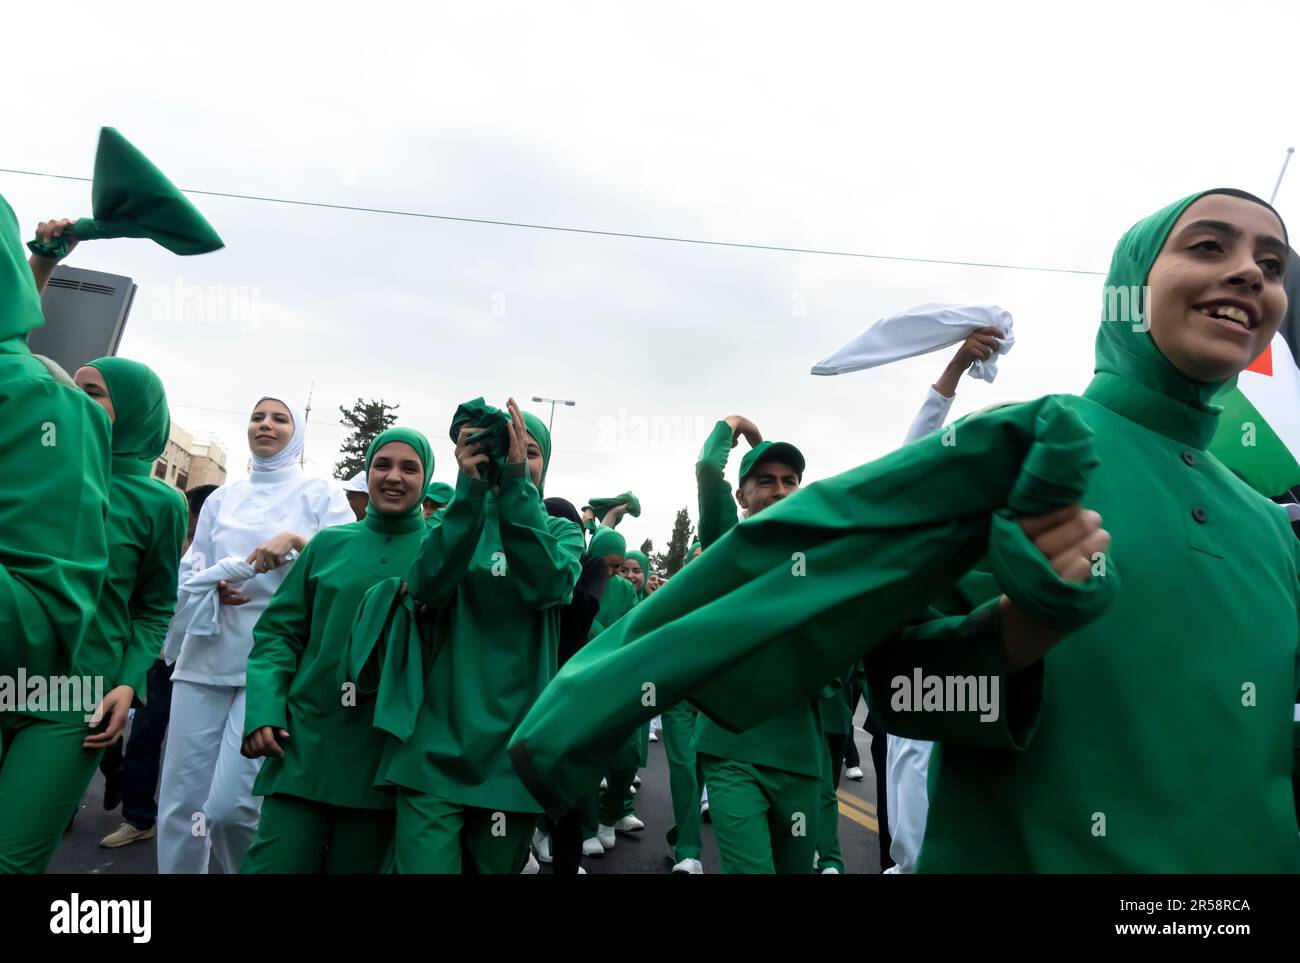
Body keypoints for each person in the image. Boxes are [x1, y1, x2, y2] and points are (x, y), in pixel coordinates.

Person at [864, 189, 1299, 871]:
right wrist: (1020, 628)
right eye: (1209, 245)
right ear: (1131, 284)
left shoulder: (1272, 527)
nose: (1252, 273)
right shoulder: (1017, 445)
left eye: (1272, 265)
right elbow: (899, 693)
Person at [382, 398, 582, 873]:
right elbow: (427, 582)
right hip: (433, 746)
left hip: (513, 756)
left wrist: (515, 490)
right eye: (507, 448)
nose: (517, 459)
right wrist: (468, 492)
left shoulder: (561, 532)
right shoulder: (449, 519)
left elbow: (548, 583)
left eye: (530, 452)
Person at [0, 356, 183, 873]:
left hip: (76, 695)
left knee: (12, 859)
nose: (77, 398)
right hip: (6, 665)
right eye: (74, 387)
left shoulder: (160, 503)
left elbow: (153, 607)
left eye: (94, 392)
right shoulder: (32, 466)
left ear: (133, 412)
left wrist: (129, 683)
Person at [156, 395, 354, 874]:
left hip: (269, 666)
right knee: (181, 805)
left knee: (231, 810)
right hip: (204, 658)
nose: (265, 425)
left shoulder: (321, 494)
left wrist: (298, 542)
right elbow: (190, 570)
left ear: (297, 433)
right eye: (257, 417)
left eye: (279, 419)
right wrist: (211, 587)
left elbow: (346, 567)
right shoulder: (224, 496)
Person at [239, 428, 434, 873]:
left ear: (426, 478)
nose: (393, 477)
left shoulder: (439, 554)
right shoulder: (329, 545)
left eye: (409, 468)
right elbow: (278, 635)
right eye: (382, 465)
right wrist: (265, 709)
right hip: (304, 746)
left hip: (387, 760)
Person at [881, 326, 1005, 874]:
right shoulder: (930, 519)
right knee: (914, 799)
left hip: (999, 691)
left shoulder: (1021, 528)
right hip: (926, 685)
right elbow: (912, 458)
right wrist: (954, 371)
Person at [691, 416, 824, 874]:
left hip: (801, 755)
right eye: (764, 481)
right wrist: (738, 426)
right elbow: (709, 466)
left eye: (791, 481)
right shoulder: (730, 546)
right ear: (740, 496)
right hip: (732, 752)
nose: (780, 490)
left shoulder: (823, 556)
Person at [101, 484, 219, 849]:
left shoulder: (224, 554)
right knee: (134, 737)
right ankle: (137, 813)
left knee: (193, 753)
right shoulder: (168, 545)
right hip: (154, 657)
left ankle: (202, 822)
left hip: (198, 664)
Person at [658, 542, 706, 874]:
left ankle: (679, 833)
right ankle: (689, 853)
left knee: (701, 772)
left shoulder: (733, 597)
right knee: (684, 769)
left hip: (715, 702)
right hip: (678, 700)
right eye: (698, 559)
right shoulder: (673, 598)